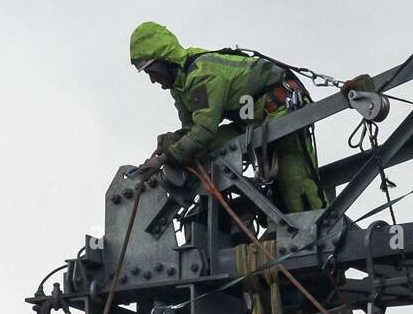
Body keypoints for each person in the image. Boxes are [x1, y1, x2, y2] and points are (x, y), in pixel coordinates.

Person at [129, 21, 327, 214]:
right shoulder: (180, 87)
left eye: (152, 71)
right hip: (251, 119)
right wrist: (174, 140)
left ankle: (316, 225)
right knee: (199, 151)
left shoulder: (201, 74)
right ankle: (226, 214)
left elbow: (204, 131)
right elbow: (192, 129)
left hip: (281, 108)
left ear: (167, 60)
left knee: (294, 179)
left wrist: (164, 158)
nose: (153, 80)